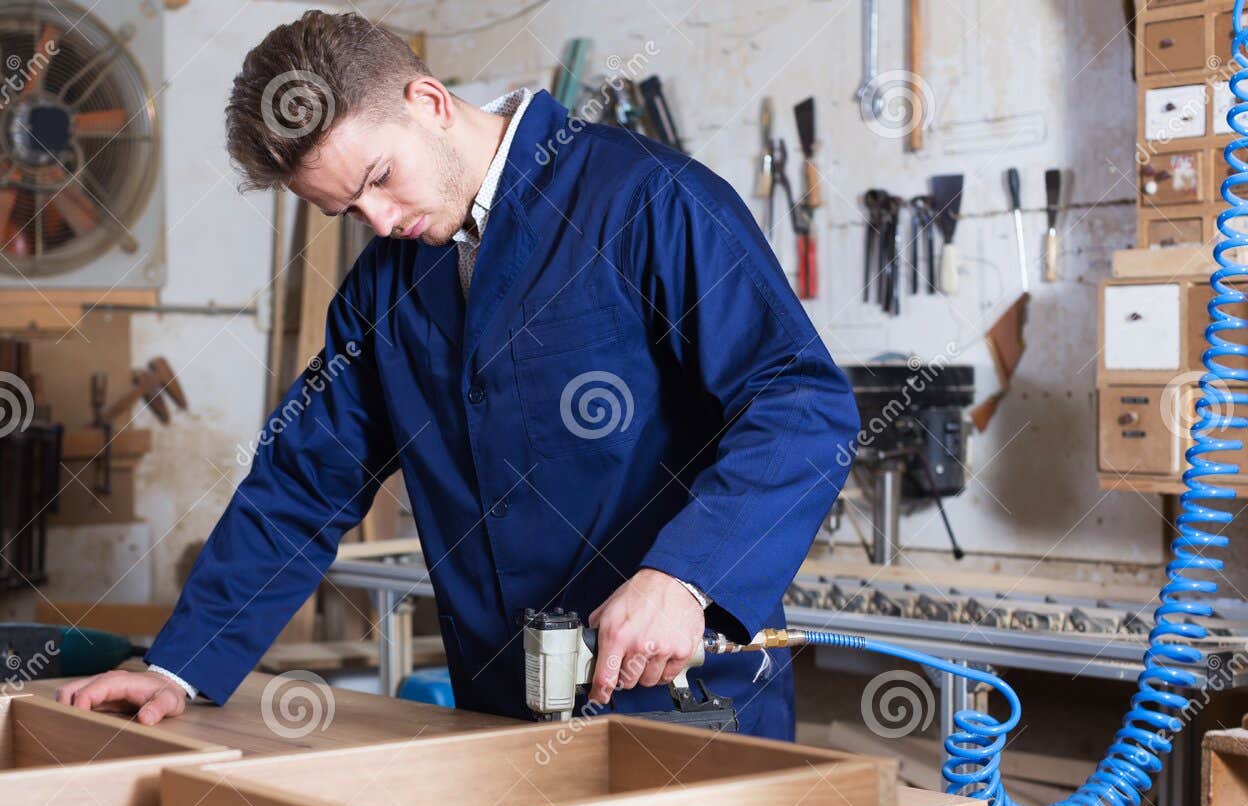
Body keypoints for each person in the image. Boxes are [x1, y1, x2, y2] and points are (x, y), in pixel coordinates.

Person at [58, 12, 858, 740]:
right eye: (346, 212)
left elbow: (800, 402)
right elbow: (302, 480)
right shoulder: (383, 287)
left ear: (430, 102)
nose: (377, 222)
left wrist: (687, 578)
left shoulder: (648, 200)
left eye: (377, 179)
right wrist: (177, 666)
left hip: (685, 701)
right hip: (501, 712)